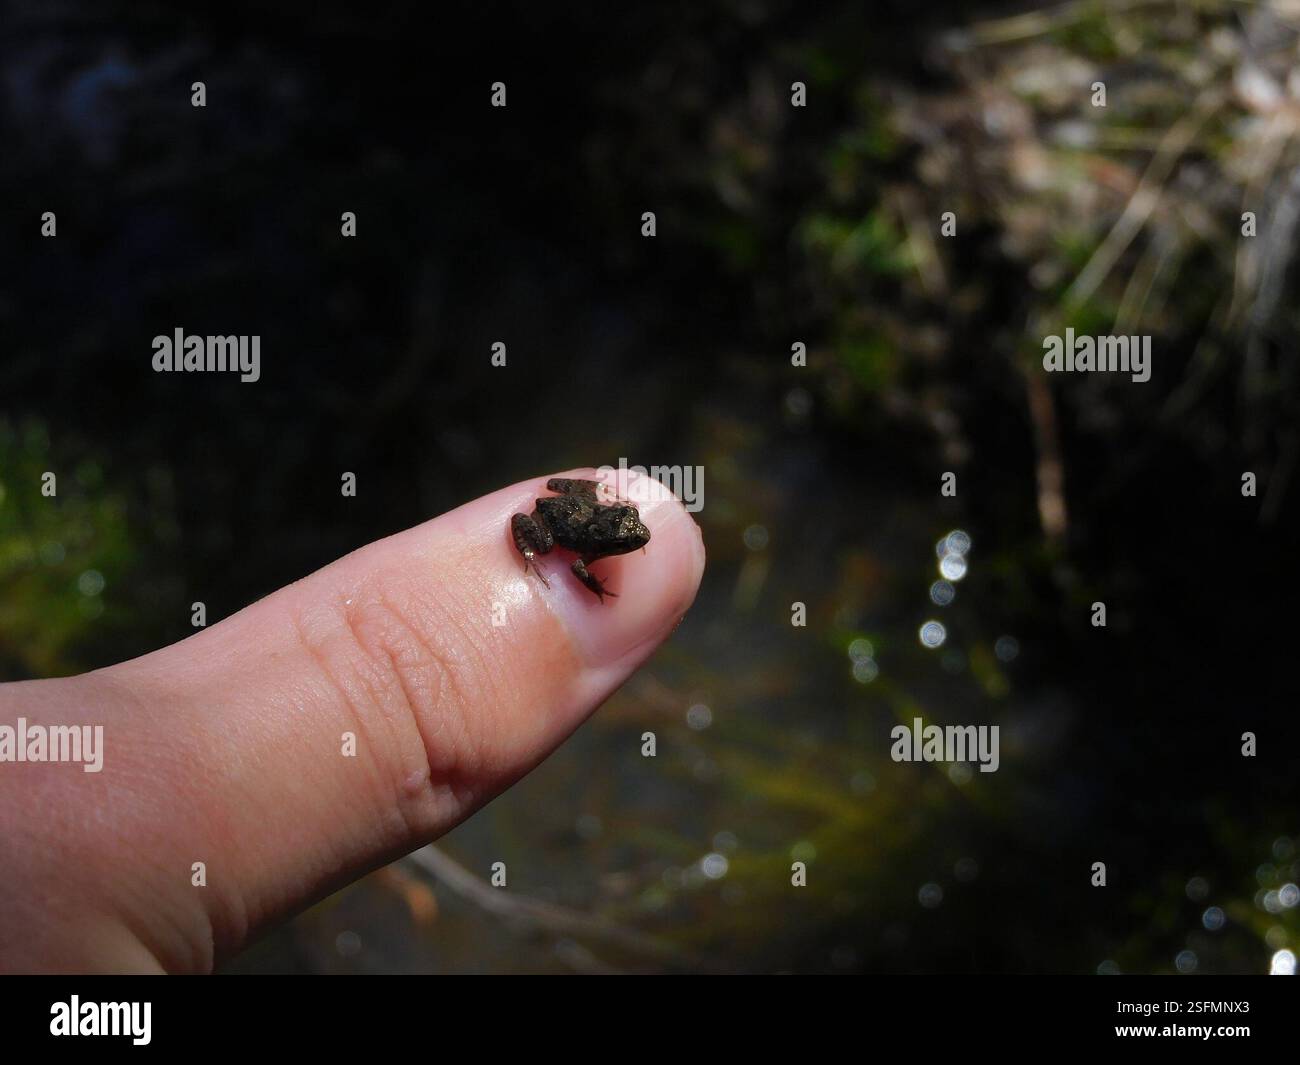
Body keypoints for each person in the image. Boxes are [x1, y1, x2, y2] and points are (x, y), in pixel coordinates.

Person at [0, 469, 705, 973]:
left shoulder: (604, 538)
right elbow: (567, 541)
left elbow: (583, 525)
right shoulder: (582, 546)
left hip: (563, 509)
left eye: (624, 537)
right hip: (547, 524)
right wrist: (555, 570)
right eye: (623, 536)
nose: (627, 539)